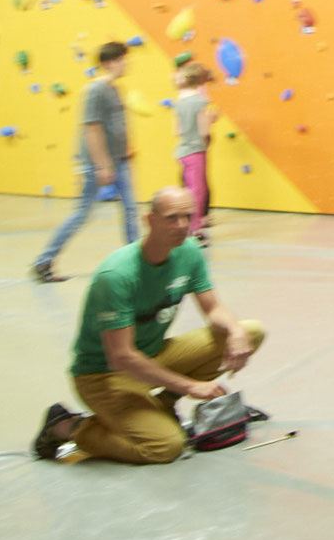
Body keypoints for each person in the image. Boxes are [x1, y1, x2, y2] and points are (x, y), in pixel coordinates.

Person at [32, 184, 265, 464]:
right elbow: (122, 357)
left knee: (252, 332)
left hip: (152, 355)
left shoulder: (189, 252)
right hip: (103, 375)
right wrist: (190, 386)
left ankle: (162, 406)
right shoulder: (117, 275)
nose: (181, 226)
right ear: (150, 220)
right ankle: (68, 427)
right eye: (171, 218)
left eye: (187, 217)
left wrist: (236, 331)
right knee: (165, 447)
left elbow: (213, 308)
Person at [34, 41, 138, 281]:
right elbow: (92, 128)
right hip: (99, 162)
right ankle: (44, 261)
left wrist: (126, 147)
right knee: (82, 213)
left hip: (119, 159)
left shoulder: (115, 89)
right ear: (108, 63)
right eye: (123, 59)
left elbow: (116, 124)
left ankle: (138, 261)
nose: (127, 63)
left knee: (131, 209)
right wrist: (102, 164)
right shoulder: (95, 90)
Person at [173, 63, 218, 246]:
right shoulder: (200, 102)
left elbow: (177, 131)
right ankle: (194, 230)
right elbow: (203, 131)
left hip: (182, 151)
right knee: (198, 192)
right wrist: (211, 120)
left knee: (188, 190)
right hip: (196, 152)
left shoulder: (179, 103)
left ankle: (189, 227)